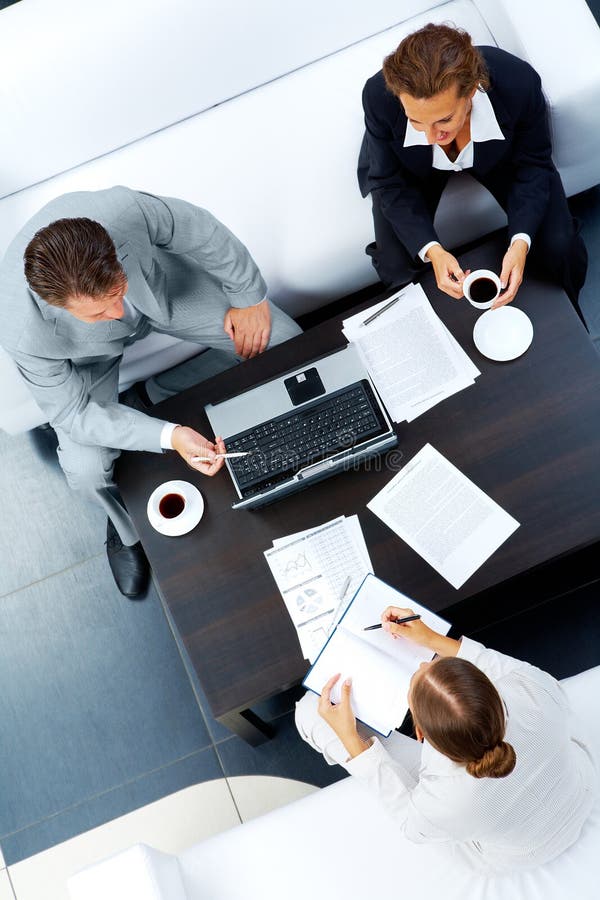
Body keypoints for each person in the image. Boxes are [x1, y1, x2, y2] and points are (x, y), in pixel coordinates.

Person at [0, 187, 301, 598]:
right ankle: (125, 529)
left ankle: (151, 397)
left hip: (164, 293)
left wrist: (247, 298)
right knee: (86, 469)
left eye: (116, 293)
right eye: (100, 310)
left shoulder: (122, 209)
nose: (119, 315)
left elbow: (203, 233)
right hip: (86, 359)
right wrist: (169, 435)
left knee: (283, 338)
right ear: (56, 306)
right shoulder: (19, 327)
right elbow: (72, 414)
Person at [295, 608, 597, 872]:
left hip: (519, 855)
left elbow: (412, 825)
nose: (423, 664)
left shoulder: (442, 803)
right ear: (488, 684)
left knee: (308, 712)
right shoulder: (536, 689)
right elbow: (490, 661)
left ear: (420, 734)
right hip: (581, 791)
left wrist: (350, 737)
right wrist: (430, 638)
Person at [357, 23, 588, 311]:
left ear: (470, 94)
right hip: (411, 172)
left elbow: (534, 164)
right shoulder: (377, 96)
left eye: (443, 120)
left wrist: (520, 242)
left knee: (559, 245)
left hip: (502, 160)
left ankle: (571, 315)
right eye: (416, 121)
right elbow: (388, 182)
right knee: (395, 263)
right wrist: (433, 251)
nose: (429, 137)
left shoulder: (519, 82)